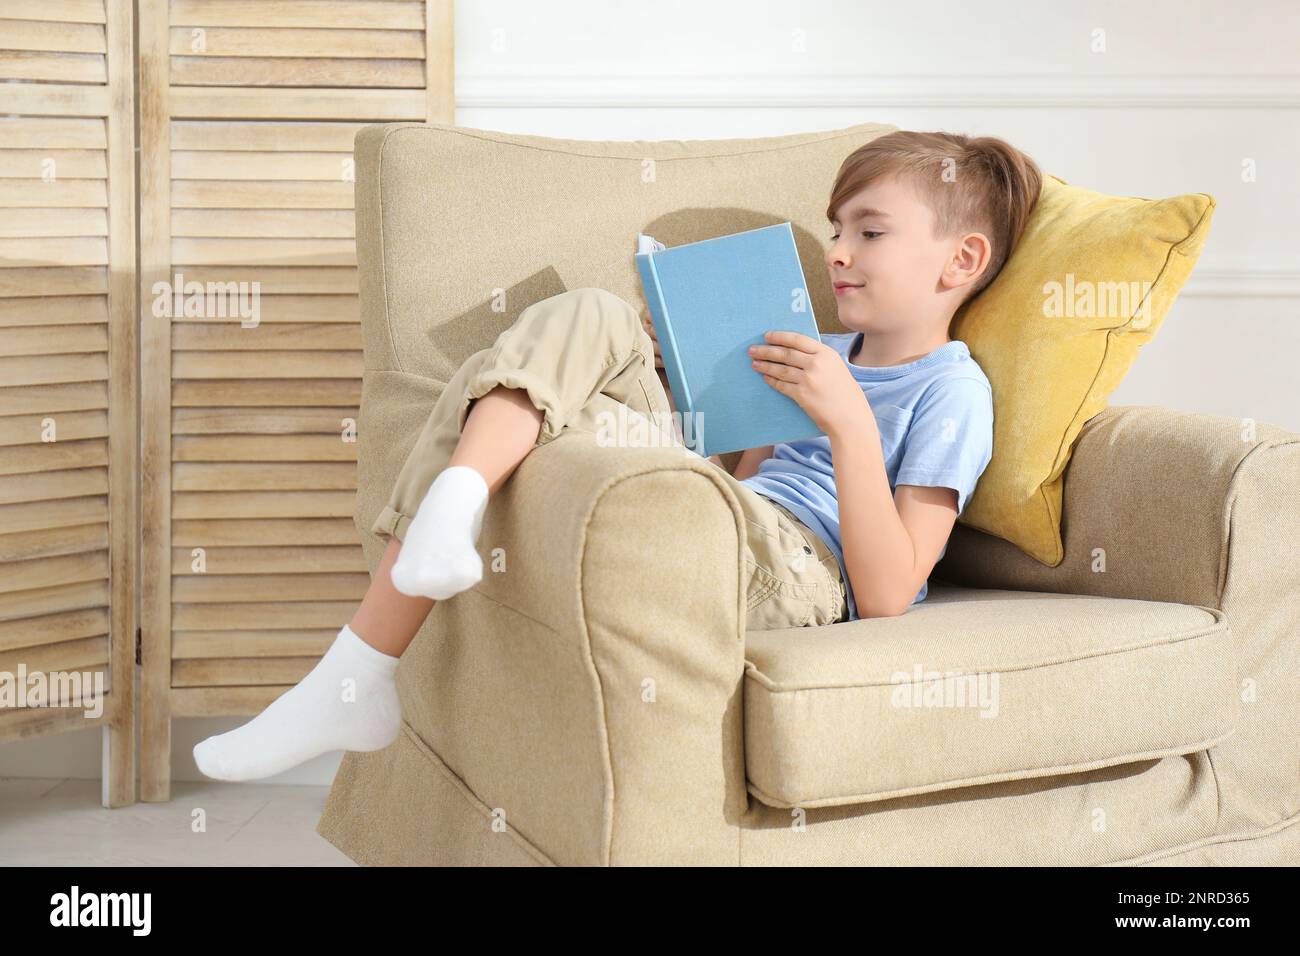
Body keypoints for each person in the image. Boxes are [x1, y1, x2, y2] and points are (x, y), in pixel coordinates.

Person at [193, 130, 1041, 782]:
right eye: (836, 229)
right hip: (727, 517)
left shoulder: (951, 392)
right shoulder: (815, 348)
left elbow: (891, 593)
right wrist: (673, 372)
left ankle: (359, 667)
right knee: (587, 317)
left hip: (807, 572)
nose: (838, 251)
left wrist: (850, 424)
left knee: (504, 390)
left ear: (960, 261)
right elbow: (733, 477)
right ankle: (450, 513)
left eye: (871, 231)